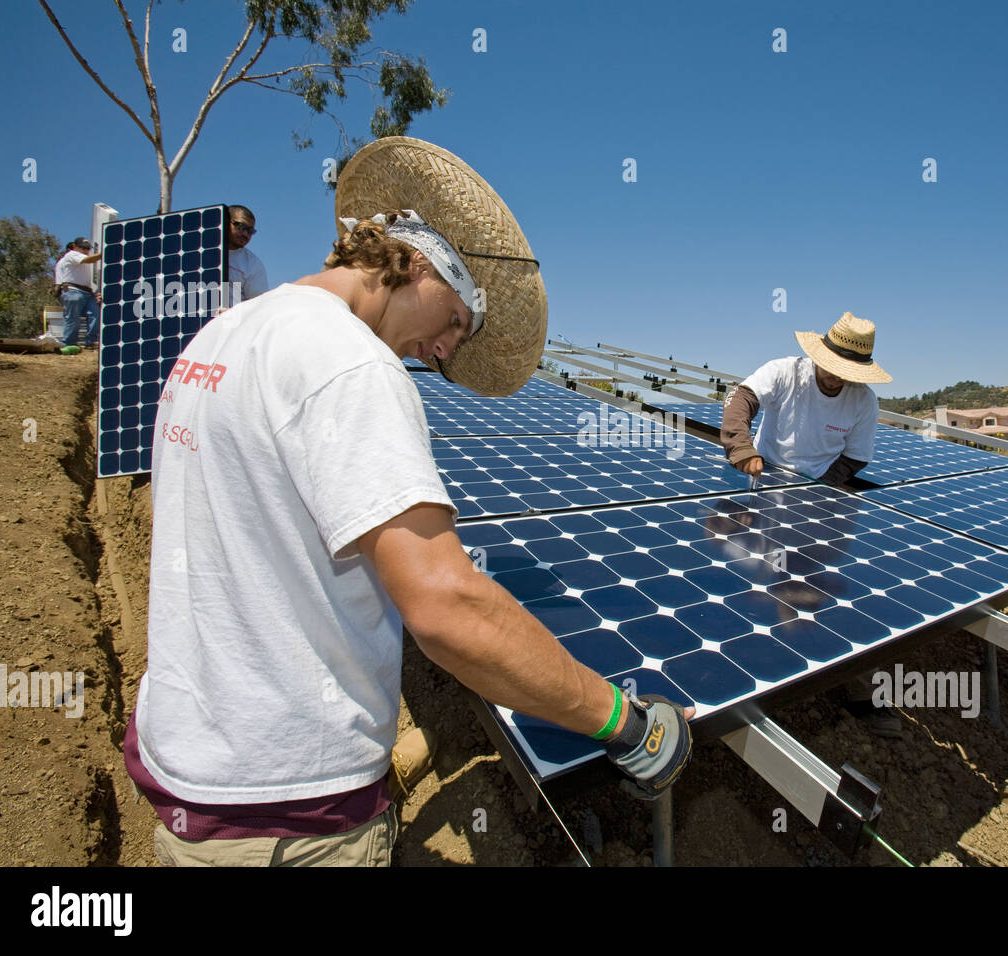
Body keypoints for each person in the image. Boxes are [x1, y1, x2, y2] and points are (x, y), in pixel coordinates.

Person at [125, 138, 692, 866]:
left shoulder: (227, 331)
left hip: (191, 762)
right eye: (458, 321)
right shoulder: (350, 364)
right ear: (422, 262)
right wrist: (623, 724)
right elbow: (447, 609)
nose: (447, 350)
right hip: (286, 805)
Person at [721, 312, 904, 737]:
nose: (838, 380)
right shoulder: (784, 373)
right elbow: (741, 401)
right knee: (759, 570)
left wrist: (820, 491)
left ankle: (858, 688)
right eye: (834, 368)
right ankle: (755, 663)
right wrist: (742, 448)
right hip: (765, 490)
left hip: (819, 503)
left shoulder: (862, 401)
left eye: (848, 373)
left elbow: (856, 456)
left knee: (829, 588)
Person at [55, 237, 101, 347]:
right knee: (73, 318)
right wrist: (105, 252)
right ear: (75, 247)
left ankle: (91, 341)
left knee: (95, 314)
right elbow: (88, 259)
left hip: (86, 292)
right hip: (73, 291)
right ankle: (69, 344)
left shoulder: (81, 261)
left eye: (88, 248)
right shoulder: (72, 255)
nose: (85, 251)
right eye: (82, 248)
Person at [226, 204, 269, 301]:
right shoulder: (196, 253)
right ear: (226, 222)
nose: (246, 234)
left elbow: (257, 304)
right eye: (241, 227)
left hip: (232, 315)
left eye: (250, 231)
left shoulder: (252, 264)